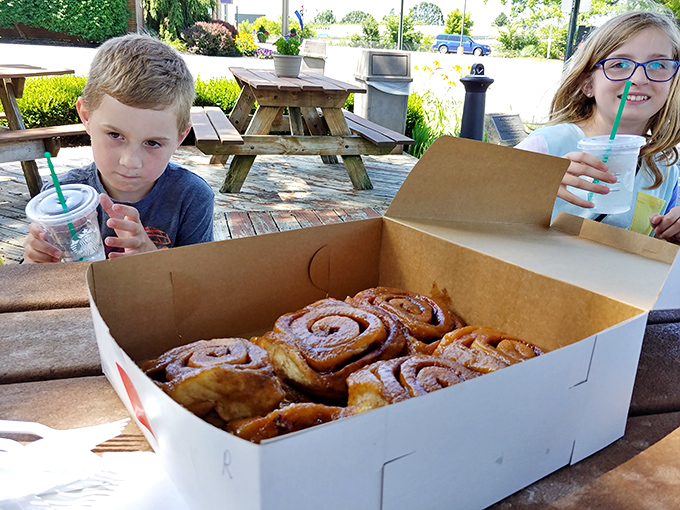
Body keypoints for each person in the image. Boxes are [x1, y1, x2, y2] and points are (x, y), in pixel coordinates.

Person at [23, 33, 214, 263]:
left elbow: (200, 285)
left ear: (180, 137)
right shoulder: (61, 195)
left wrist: (154, 262)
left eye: (152, 143)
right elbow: (39, 283)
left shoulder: (191, 197)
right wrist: (35, 261)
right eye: (115, 135)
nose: (130, 161)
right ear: (86, 116)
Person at [515, 10, 680, 242]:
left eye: (658, 64)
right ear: (587, 83)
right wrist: (535, 185)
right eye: (620, 64)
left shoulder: (666, 167)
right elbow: (482, 205)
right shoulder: (550, 144)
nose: (639, 79)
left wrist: (671, 232)